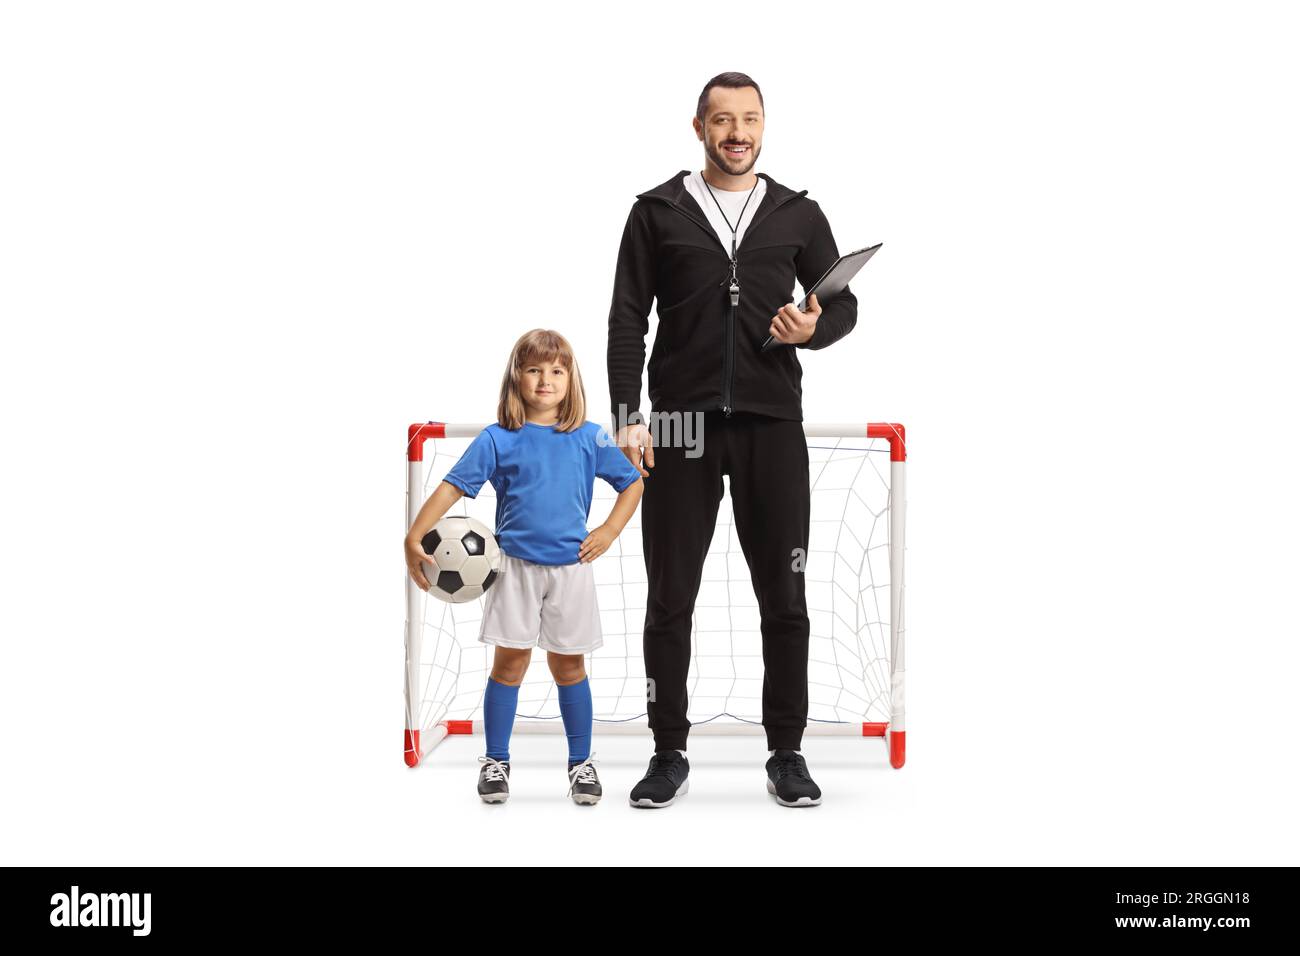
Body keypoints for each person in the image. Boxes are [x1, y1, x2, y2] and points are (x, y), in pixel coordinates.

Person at [607, 72, 859, 808]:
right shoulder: (657, 211)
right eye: (722, 120)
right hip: (681, 422)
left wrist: (813, 330)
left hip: (771, 423)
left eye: (748, 118)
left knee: (785, 596)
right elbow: (628, 317)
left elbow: (842, 307)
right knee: (669, 597)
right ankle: (667, 751)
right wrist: (629, 411)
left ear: (763, 124)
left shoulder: (797, 214)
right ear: (699, 128)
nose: (736, 132)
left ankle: (787, 750)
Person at [405, 329, 644, 805]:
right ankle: (496, 761)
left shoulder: (589, 436)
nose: (545, 380)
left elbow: (632, 482)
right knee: (509, 664)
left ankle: (581, 763)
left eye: (557, 370)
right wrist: (415, 533)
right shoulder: (499, 439)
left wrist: (609, 531)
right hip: (512, 569)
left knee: (570, 666)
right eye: (534, 369)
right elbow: (454, 487)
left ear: (571, 378)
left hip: (571, 569)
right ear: (517, 377)